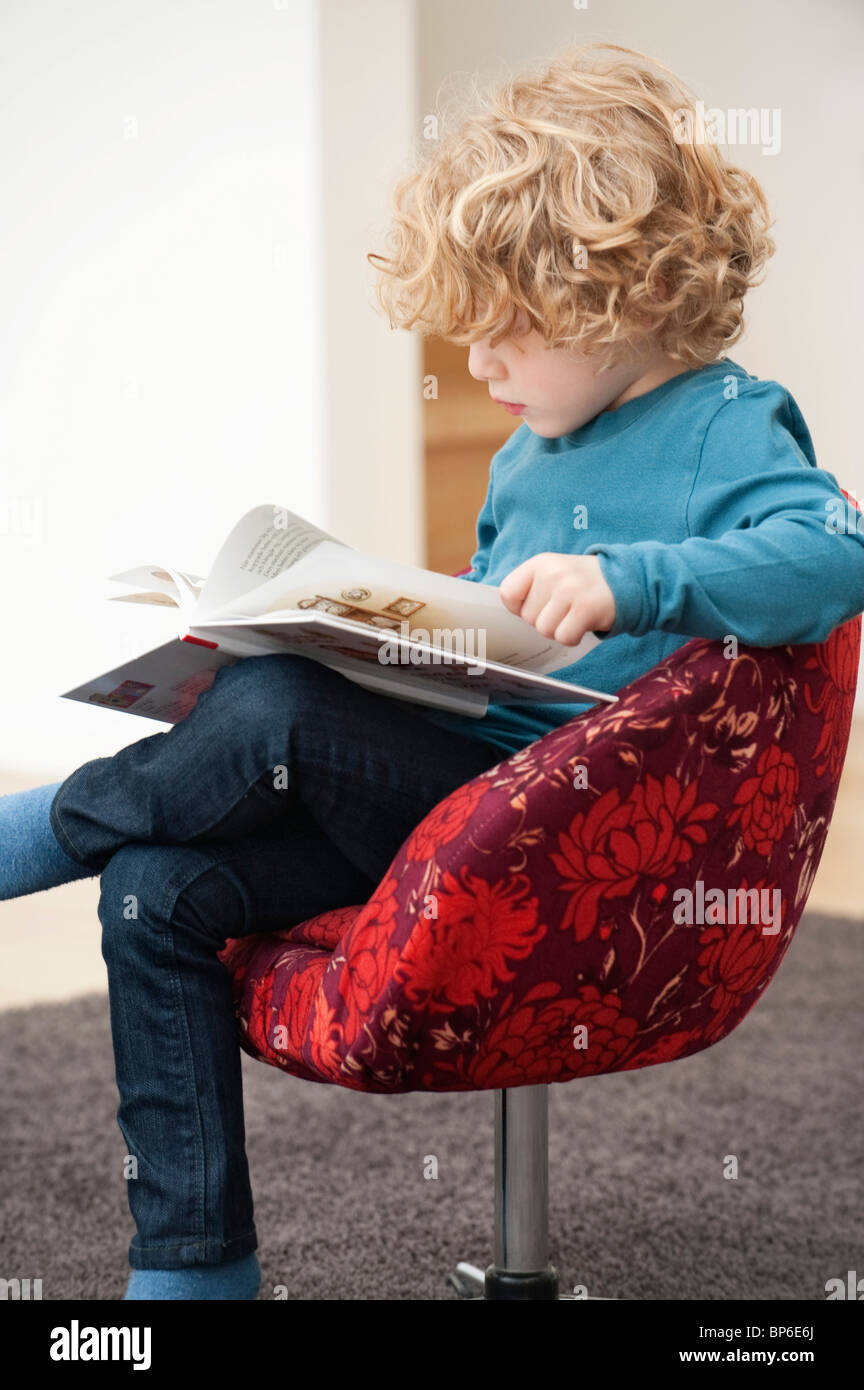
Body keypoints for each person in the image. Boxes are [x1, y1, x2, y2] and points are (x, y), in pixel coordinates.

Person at [3, 41, 863, 1300]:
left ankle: (51, 827)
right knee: (155, 887)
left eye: (507, 328)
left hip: (548, 828)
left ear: (611, 295)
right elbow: (486, 651)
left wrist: (639, 580)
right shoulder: (528, 452)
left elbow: (833, 555)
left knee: (275, 707)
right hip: (445, 797)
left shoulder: (726, 423)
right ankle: (195, 1270)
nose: (479, 367)